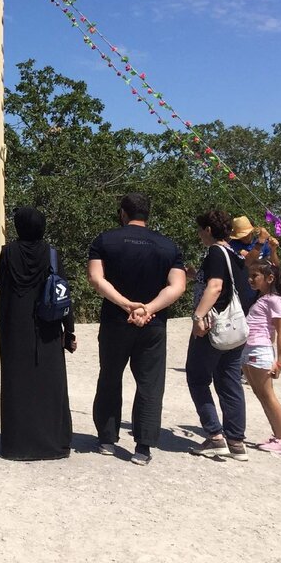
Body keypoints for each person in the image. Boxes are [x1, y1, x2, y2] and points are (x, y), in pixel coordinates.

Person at [88, 192, 186, 466]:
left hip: (115, 322)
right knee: (150, 385)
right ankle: (143, 446)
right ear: (148, 214)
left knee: (109, 377)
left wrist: (125, 305)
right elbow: (177, 286)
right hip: (153, 325)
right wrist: (149, 308)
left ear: (122, 213)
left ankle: (107, 439)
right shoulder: (168, 246)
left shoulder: (105, 240)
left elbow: (96, 279)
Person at [0, 207, 76, 461]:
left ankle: (17, 445)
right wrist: (70, 331)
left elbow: (1, 284)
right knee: (49, 383)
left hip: (15, 326)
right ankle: (53, 443)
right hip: (48, 329)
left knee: (17, 383)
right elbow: (63, 293)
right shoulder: (51, 254)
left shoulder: (7, 254)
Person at [187, 210, 251, 461]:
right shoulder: (236, 255)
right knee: (230, 382)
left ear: (209, 230)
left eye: (200, 229)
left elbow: (215, 287)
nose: (200, 235)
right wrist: (194, 275)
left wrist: (198, 317)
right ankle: (236, 441)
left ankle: (215, 436)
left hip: (213, 326)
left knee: (197, 377)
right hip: (237, 329)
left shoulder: (215, 252)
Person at [244, 261, 281, 455]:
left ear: (269, 278)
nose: (251, 280)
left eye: (255, 276)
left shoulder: (275, 299)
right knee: (260, 394)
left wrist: (280, 361)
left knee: (268, 395)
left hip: (259, 349)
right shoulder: (263, 298)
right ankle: (278, 436)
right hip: (250, 349)